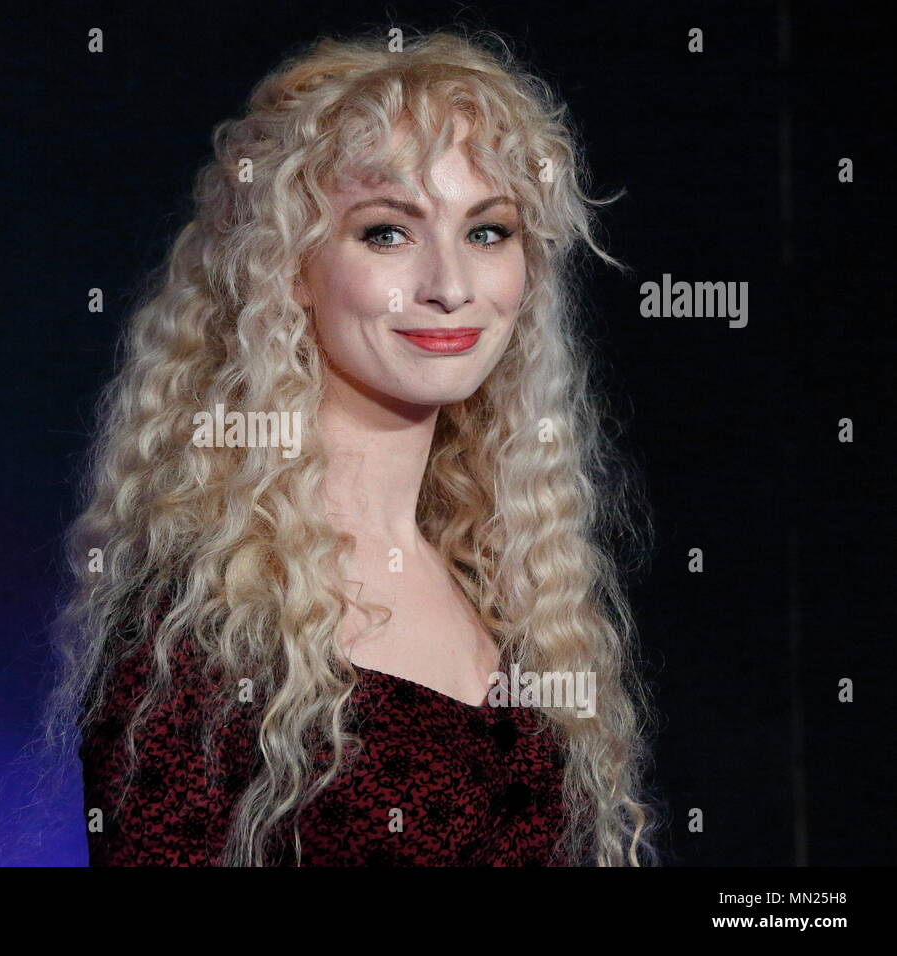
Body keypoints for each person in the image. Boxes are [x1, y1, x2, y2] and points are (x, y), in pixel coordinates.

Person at [41, 27, 660, 866]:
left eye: (488, 232)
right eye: (386, 232)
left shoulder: (517, 591)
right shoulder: (203, 631)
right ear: (291, 266)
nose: (448, 285)